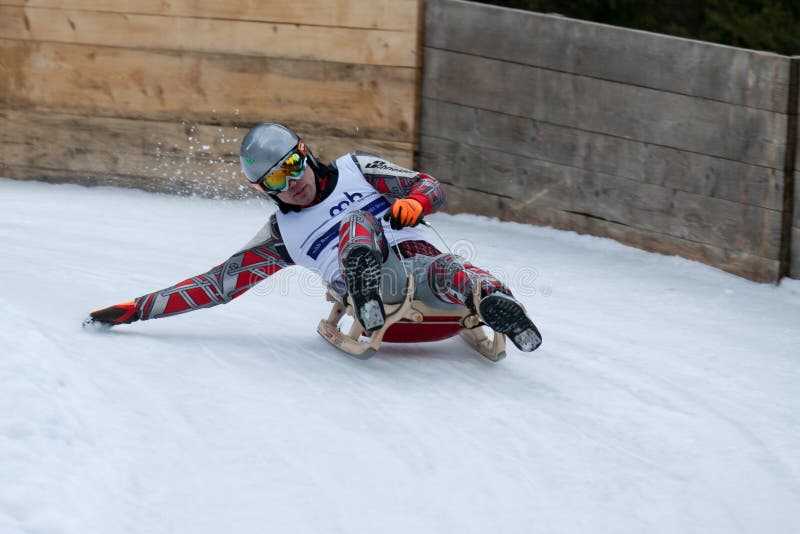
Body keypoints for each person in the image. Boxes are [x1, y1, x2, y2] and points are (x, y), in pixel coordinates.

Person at [85, 124, 542, 352]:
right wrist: (137, 310)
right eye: (275, 182)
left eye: (291, 166)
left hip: (424, 282)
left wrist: (415, 204)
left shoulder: (356, 168)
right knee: (357, 225)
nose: (292, 183)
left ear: (305, 153)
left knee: (451, 269)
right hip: (375, 297)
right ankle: (364, 288)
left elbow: (431, 186)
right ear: (262, 191)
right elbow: (216, 286)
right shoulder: (281, 235)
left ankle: (501, 309)